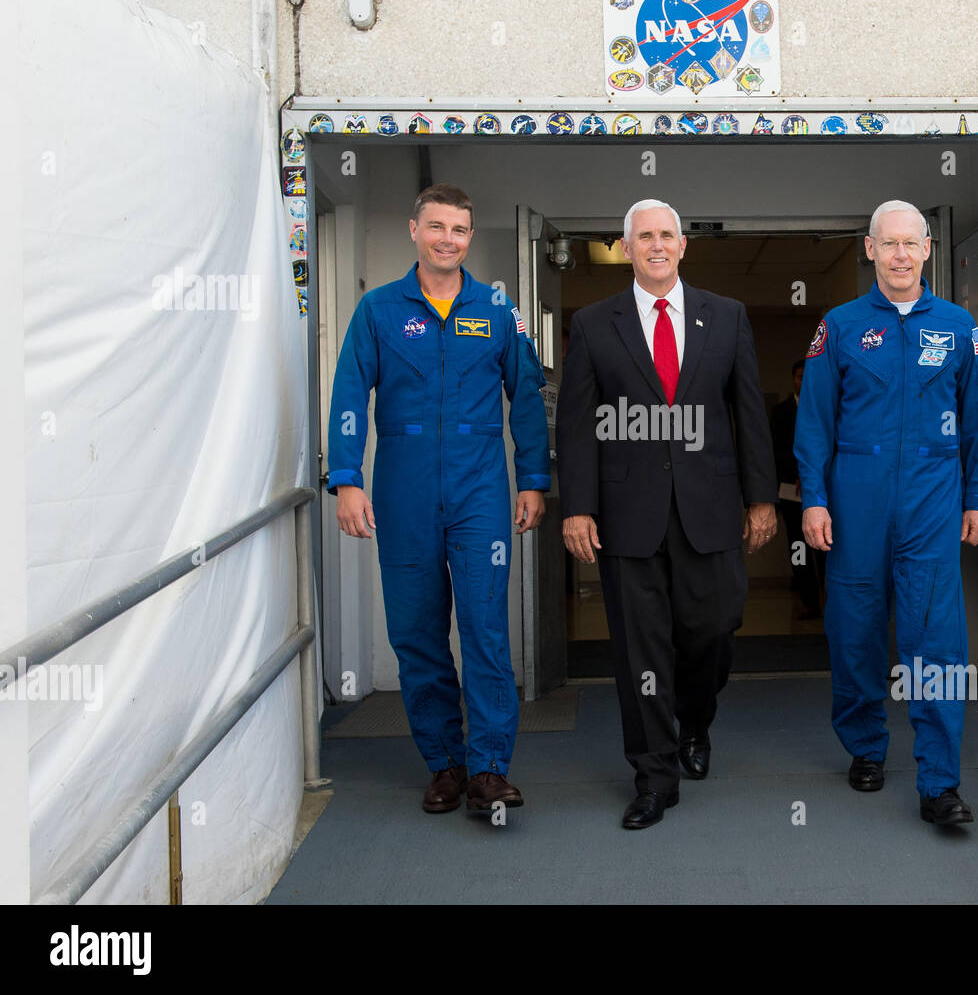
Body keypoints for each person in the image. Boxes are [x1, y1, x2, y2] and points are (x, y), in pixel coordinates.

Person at [325, 183, 550, 815]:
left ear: (469, 237)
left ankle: (488, 770)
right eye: (436, 227)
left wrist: (533, 479)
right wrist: (346, 479)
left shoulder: (497, 312)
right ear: (414, 230)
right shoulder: (378, 310)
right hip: (404, 489)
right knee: (417, 633)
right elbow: (349, 396)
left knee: (484, 630)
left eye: (458, 229)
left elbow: (526, 399)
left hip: (481, 492)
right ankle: (445, 764)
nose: (447, 238)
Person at [557, 199, 778, 829]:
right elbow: (577, 428)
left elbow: (749, 413)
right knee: (639, 649)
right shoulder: (596, 324)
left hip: (710, 509)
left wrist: (762, 497)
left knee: (712, 629)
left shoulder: (726, 316)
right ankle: (654, 776)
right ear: (626, 248)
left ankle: (696, 721)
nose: (656, 245)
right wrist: (578, 510)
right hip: (627, 515)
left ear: (684, 246)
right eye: (643, 236)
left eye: (667, 235)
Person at [794, 199, 978, 826]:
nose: (901, 255)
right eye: (889, 244)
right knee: (854, 633)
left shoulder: (961, 327)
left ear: (928, 249)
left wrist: (977, 497)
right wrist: (815, 498)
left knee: (937, 643)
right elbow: (815, 423)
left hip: (932, 508)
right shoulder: (841, 326)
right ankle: (865, 746)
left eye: (912, 244)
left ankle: (939, 783)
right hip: (856, 507)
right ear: (870, 249)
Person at [769, 358, 825, 620]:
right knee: (799, 550)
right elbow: (775, 452)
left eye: (806, 376)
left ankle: (829, 598)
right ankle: (808, 600)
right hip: (791, 493)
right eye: (798, 377)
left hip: (823, 494)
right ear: (793, 379)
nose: (802, 381)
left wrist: (813, 477)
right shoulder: (780, 412)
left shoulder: (825, 408)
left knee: (825, 549)